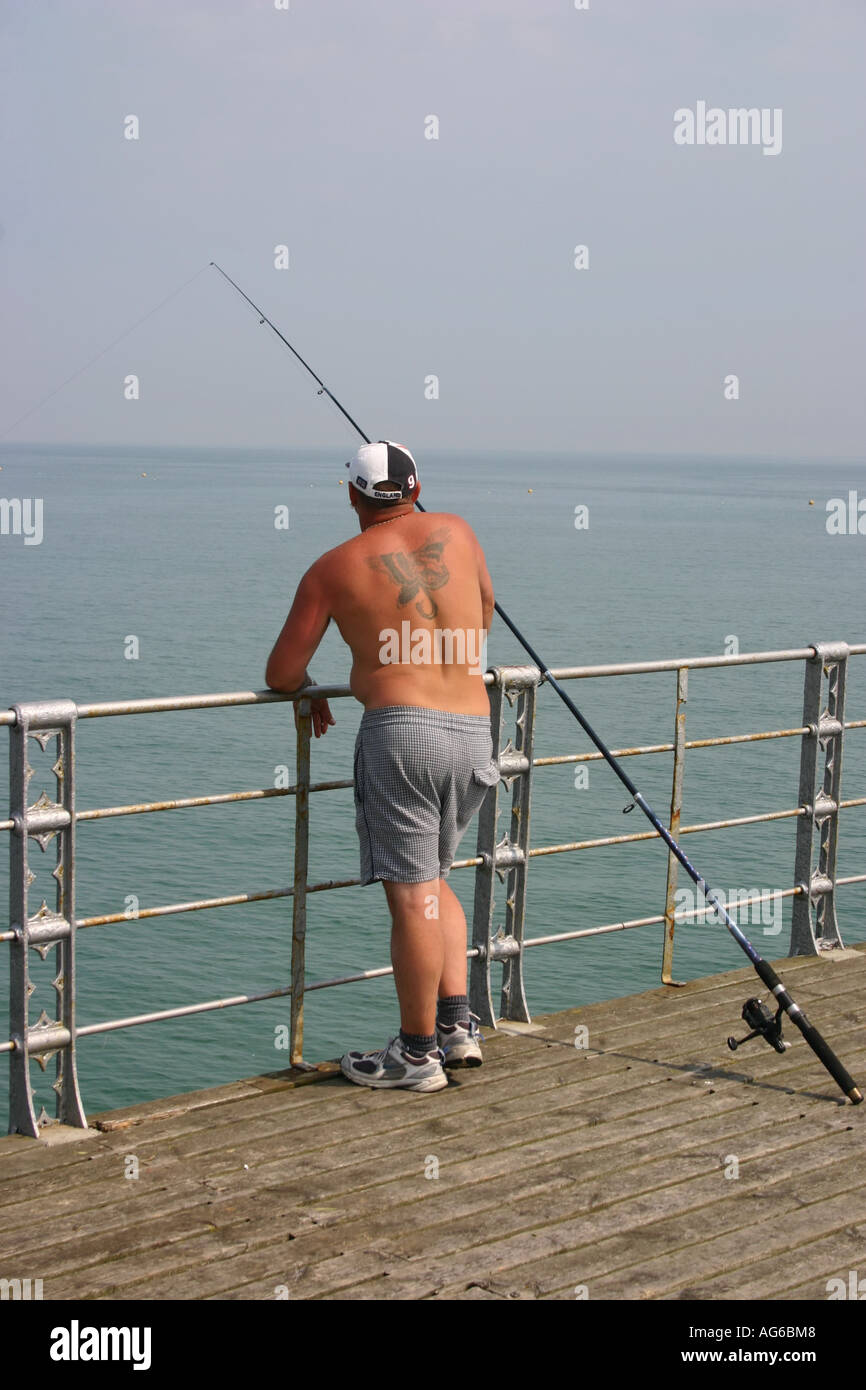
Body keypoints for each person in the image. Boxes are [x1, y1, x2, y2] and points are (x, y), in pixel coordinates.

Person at [265, 440, 499, 1092]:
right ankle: (456, 1029)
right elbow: (482, 608)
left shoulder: (334, 568)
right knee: (436, 877)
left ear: (351, 496)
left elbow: (281, 672)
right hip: (473, 727)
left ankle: (416, 1056)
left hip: (402, 733)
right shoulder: (458, 530)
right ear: (418, 486)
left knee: (413, 892)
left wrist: (316, 686)